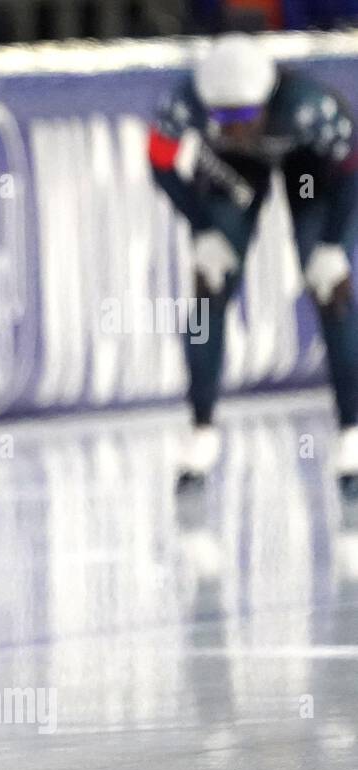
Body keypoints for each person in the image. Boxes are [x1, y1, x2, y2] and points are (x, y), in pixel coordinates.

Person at [149, 33, 358, 497]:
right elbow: (160, 162)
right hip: (232, 169)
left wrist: (330, 244)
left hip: (308, 170)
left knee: (329, 285)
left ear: (266, 99)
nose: (234, 125)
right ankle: (201, 430)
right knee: (209, 289)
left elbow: (349, 172)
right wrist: (202, 228)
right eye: (222, 116)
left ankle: (352, 434)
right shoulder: (189, 107)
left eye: (244, 115)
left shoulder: (307, 108)